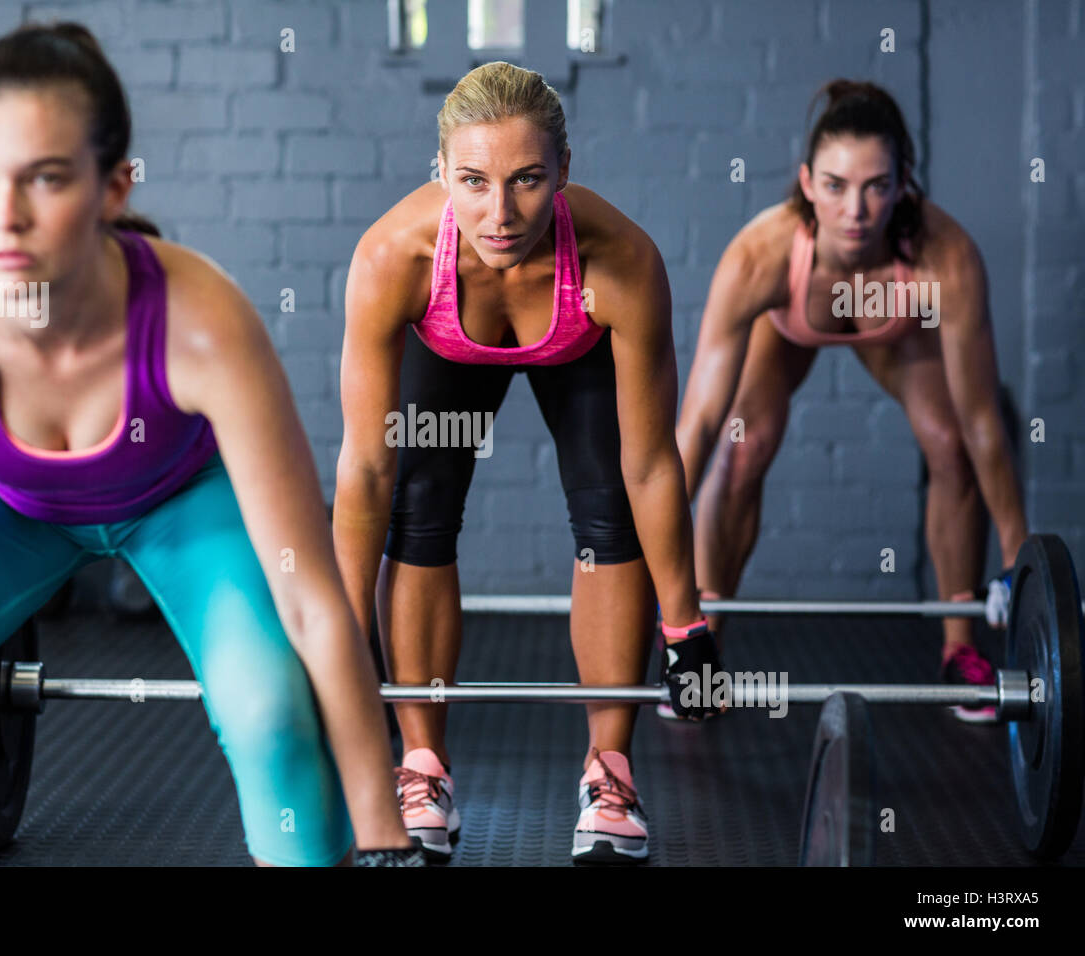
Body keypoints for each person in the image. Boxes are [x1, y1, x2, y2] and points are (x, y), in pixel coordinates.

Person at [0, 22, 417, 867]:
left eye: (45, 179)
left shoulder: (202, 324)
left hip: (179, 499)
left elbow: (311, 602)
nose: (3, 217)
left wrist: (382, 836)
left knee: (272, 709)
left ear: (113, 187)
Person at [333, 61, 720, 866]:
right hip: (444, 340)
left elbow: (653, 465)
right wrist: (339, 629)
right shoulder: (390, 259)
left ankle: (609, 772)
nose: (500, 213)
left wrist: (684, 625)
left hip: (574, 339)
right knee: (417, 507)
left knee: (609, 512)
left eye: (527, 180)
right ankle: (421, 767)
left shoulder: (623, 262)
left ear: (565, 172)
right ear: (440, 171)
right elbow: (365, 469)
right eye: (473, 181)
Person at [675, 80, 1028, 722]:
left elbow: (982, 422)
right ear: (807, 182)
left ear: (902, 185)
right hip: (788, 324)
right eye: (836, 185)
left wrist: (1016, 560)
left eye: (875, 186)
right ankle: (700, 649)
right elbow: (696, 423)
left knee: (950, 445)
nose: (856, 209)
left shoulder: (945, 258)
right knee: (739, 448)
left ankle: (959, 648)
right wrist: (653, 557)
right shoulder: (760, 255)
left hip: (893, 324)